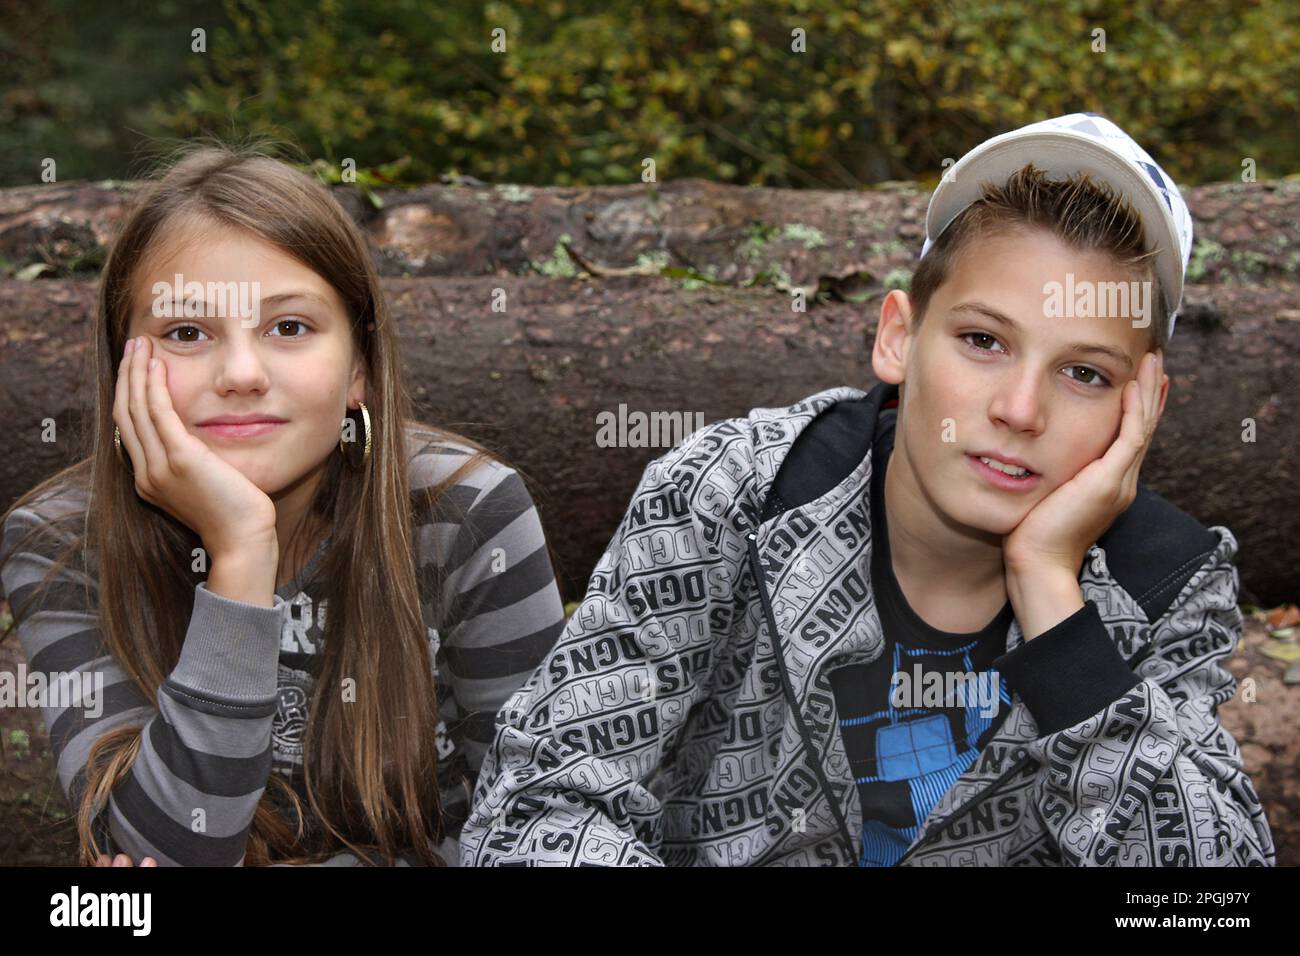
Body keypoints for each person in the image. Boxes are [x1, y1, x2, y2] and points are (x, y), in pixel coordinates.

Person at [460, 113, 1276, 866]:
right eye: (983, 340)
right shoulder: (736, 493)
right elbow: (539, 807)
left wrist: (1057, 611)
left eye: (1085, 373)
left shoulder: (1163, 587)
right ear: (898, 337)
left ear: (1144, 408)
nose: (1019, 410)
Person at [0, 140, 567, 867]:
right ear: (123, 369)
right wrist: (239, 553)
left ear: (359, 365)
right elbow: (154, 860)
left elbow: (543, 826)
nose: (240, 373)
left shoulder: (468, 513)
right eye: (186, 332)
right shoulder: (59, 542)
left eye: (288, 328)